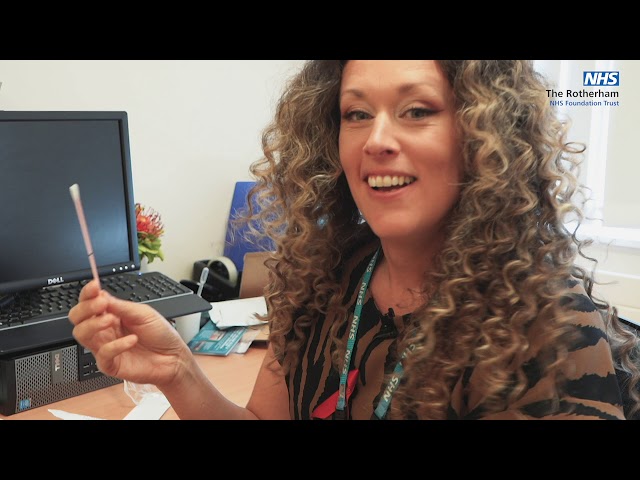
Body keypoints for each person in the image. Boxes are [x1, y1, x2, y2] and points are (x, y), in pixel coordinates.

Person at [69, 60, 640, 420]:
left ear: (483, 137)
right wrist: (178, 370)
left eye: (417, 110)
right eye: (357, 113)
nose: (377, 140)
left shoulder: (550, 330)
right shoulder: (323, 281)